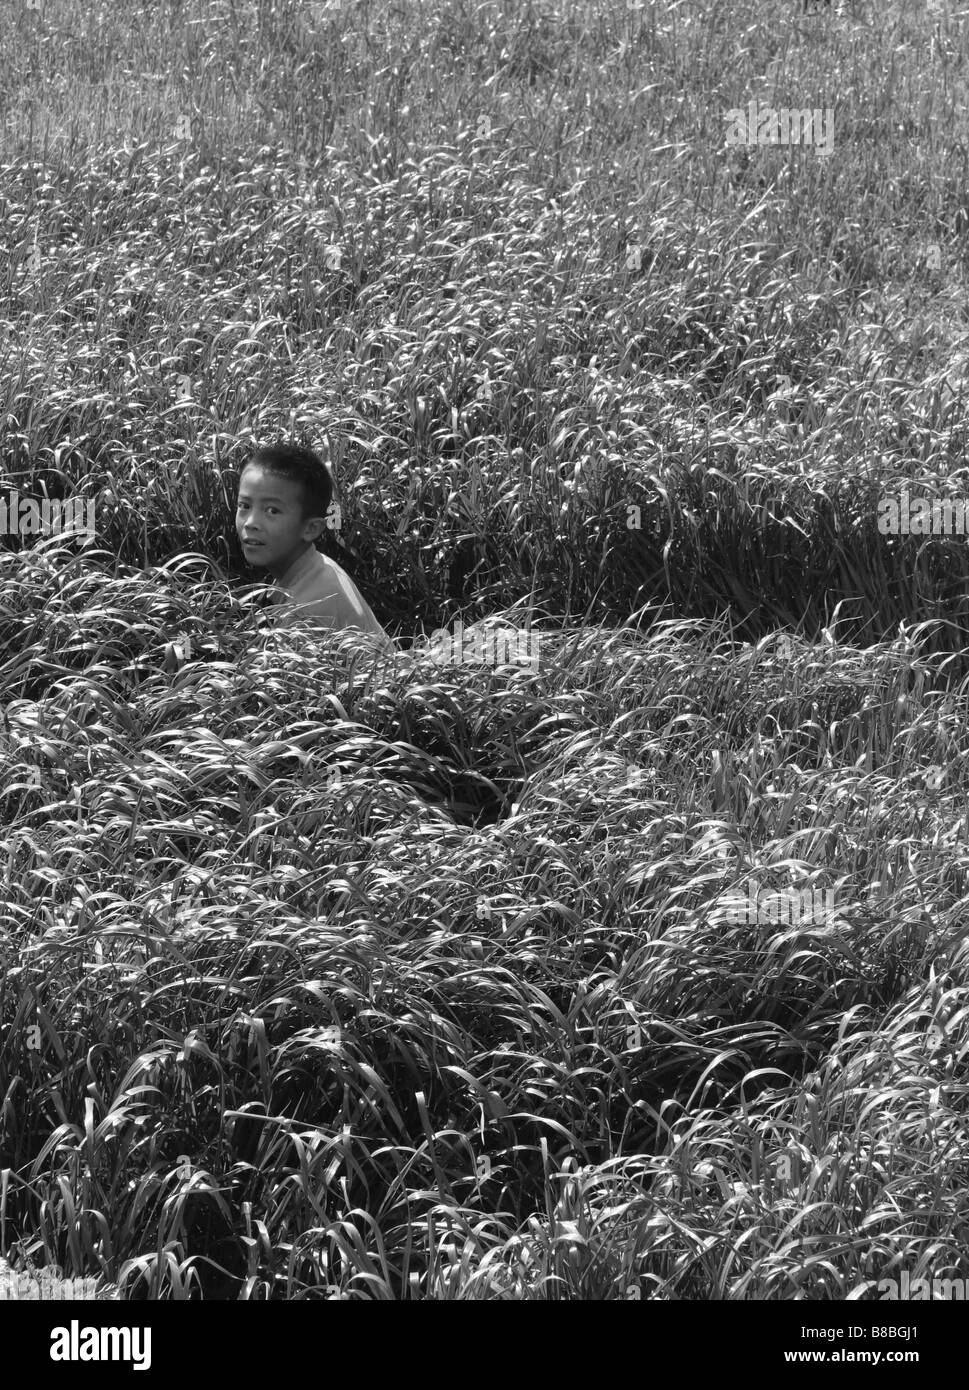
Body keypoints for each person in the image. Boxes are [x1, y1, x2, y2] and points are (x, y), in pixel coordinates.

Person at [235, 442, 394, 652]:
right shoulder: (317, 568)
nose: (250, 522)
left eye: (272, 511)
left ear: (311, 528)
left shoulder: (305, 613)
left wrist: (182, 656)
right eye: (244, 506)